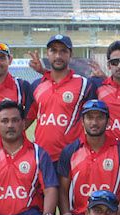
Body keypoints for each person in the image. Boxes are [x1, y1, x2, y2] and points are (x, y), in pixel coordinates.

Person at [56, 99, 120, 215]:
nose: (94, 123)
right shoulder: (70, 151)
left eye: (99, 118)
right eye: (89, 118)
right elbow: (62, 190)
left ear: (108, 121)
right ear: (82, 121)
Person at [25, 34, 94, 163]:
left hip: (72, 158)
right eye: (53, 51)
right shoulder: (36, 85)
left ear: (70, 54)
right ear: (47, 54)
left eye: (63, 51)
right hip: (42, 158)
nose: (58, 56)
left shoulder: (85, 85)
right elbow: (26, 120)